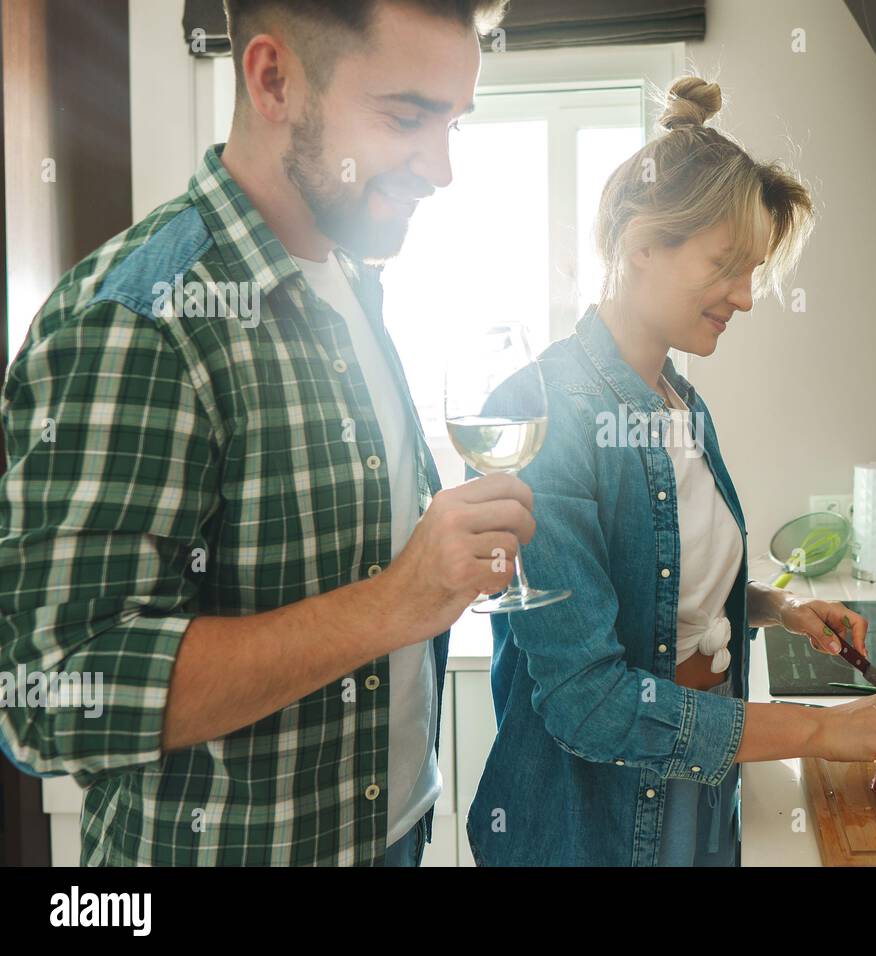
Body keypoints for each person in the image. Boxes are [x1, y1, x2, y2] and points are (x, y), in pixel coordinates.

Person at [0, 0, 526, 866]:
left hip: (390, 833)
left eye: (454, 122)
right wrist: (392, 604)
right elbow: (50, 694)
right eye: (406, 117)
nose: (441, 167)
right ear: (273, 79)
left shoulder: (351, 277)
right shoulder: (140, 318)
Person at [467, 77, 876, 867]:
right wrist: (827, 731)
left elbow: (660, 591)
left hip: (693, 806)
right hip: (588, 834)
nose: (747, 298)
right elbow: (590, 705)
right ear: (638, 242)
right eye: (727, 265)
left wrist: (779, 607)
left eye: (753, 270)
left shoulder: (682, 404)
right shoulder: (542, 413)